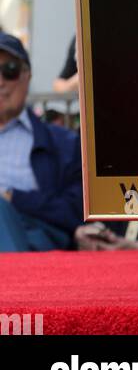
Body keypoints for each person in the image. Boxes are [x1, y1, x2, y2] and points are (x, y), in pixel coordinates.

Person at [0, 33, 83, 251]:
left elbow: (74, 212)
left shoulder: (63, 143)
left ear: (27, 76)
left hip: (32, 238)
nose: (0, 81)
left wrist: (12, 197)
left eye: (10, 70)